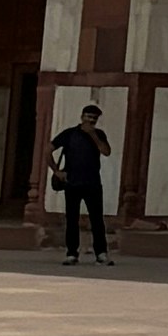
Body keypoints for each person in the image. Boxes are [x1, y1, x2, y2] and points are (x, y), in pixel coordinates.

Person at [51, 101, 115, 267]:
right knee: (72, 219)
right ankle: (72, 253)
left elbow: (106, 151)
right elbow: (47, 150)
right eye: (88, 117)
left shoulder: (99, 134)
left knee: (96, 219)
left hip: (92, 182)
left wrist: (93, 135)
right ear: (82, 117)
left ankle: (101, 253)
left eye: (94, 118)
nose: (90, 121)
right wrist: (56, 171)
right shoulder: (70, 134)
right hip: (72, 182)